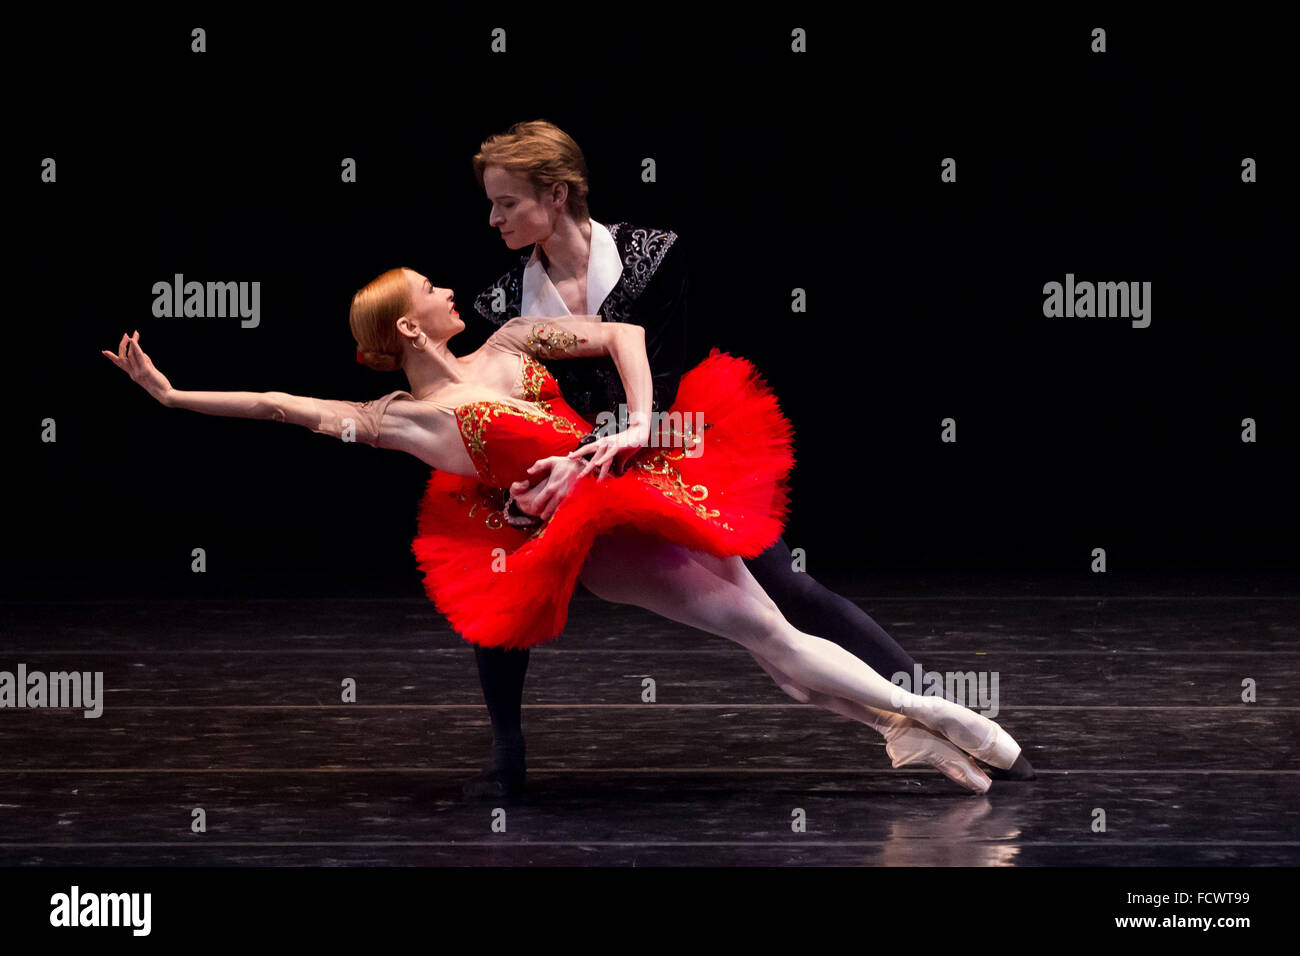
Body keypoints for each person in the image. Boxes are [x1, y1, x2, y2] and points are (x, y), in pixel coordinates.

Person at [101, 276, 1024, 796]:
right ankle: (934, 719)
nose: (454, 287)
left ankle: (914, 728)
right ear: (411, 324)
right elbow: (281, 406)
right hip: (606, 538)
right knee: (775, 643)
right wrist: (175, 396)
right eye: (435, 289)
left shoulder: (510, 342)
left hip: (639, 480)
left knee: (779, 653)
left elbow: (623, 334)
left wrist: (632, 421)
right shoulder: (406, 420)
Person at [462, 120, 1036, 798]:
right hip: (573, 462)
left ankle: (951, 715)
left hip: (664, 439)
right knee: (497, 583)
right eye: (492, 203)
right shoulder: (499, 302)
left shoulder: (653, 254)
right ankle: (508, 752)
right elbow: (519, 406)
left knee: (788, 590)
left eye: (507, 202)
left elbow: (662, 373)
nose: (493, 218)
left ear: (555, 195)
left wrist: (623, 441)